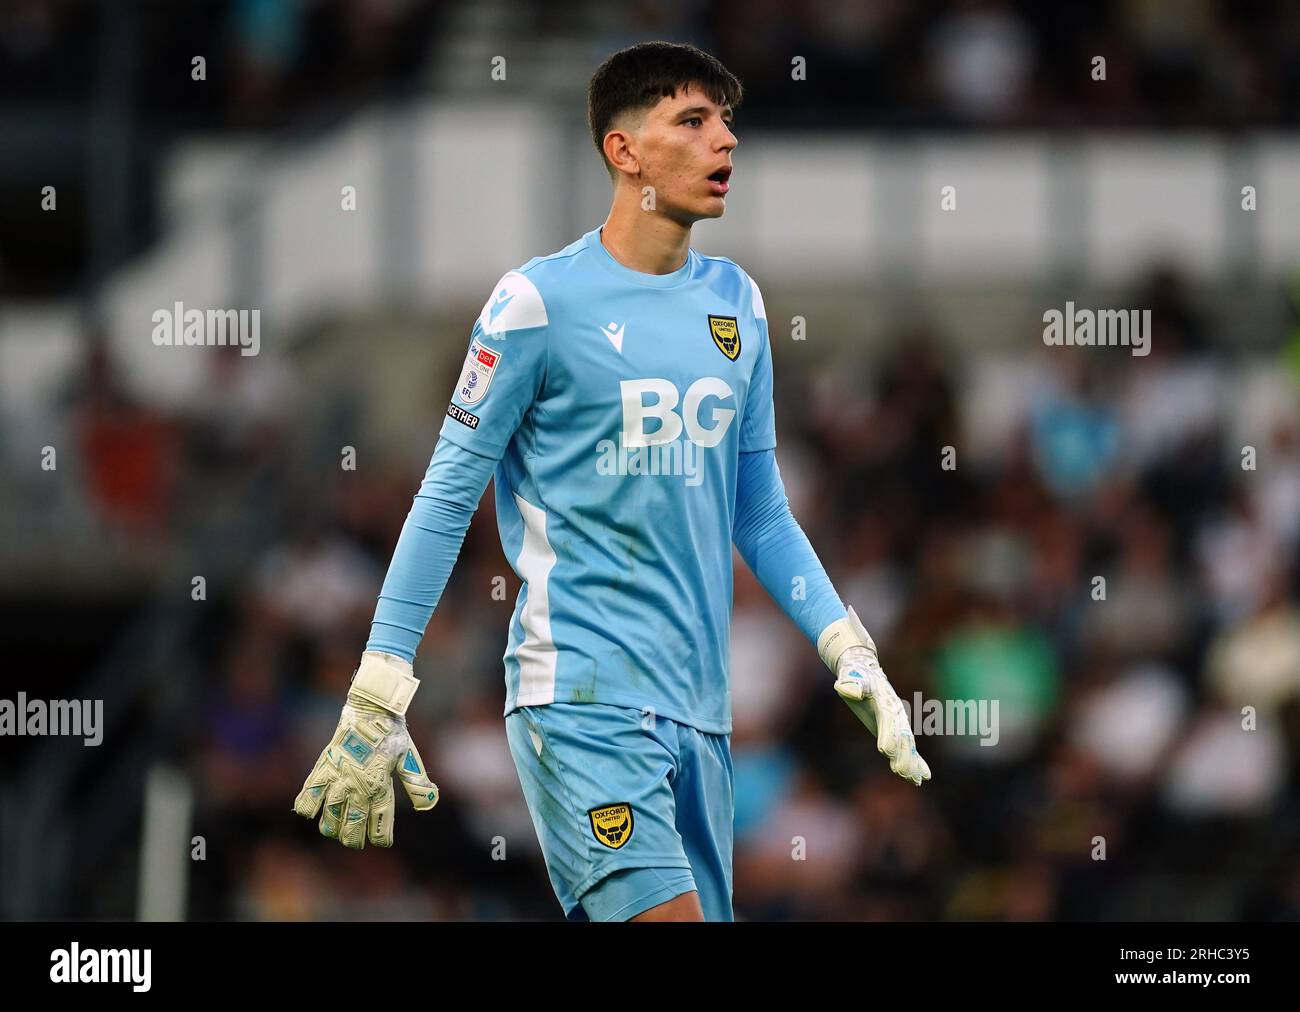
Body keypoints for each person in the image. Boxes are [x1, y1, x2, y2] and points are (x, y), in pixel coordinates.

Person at [294, 41, 929, 923]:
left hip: (703, 714)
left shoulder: (736, 304)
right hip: (581, 699)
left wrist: (845, 646)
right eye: (694, 121)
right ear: (623, 151)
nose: (726, 143)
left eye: (729, 123)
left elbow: (760, 511)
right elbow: (445, 494)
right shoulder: (535, 304)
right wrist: (381, 680)